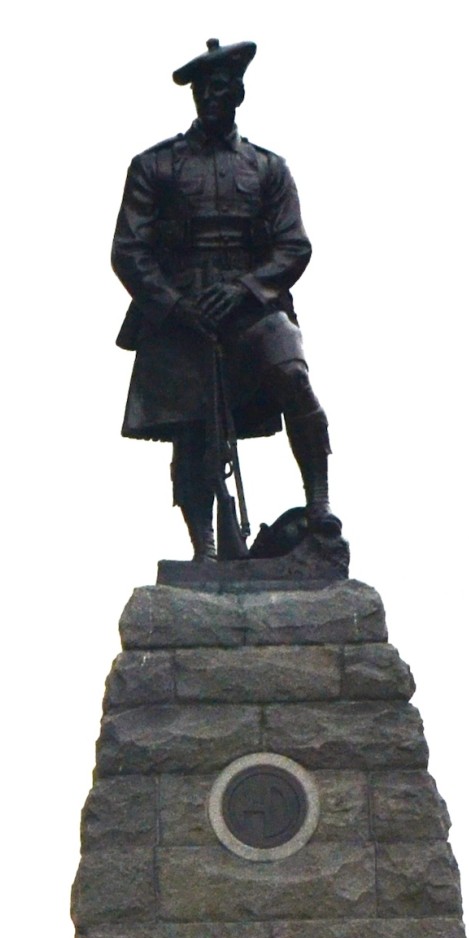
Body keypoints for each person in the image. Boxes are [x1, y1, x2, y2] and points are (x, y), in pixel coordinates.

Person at [112, 38, 340, 561]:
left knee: (293, 375)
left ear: (238, 94)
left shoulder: (269, 169)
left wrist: (244, 289)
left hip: (252, 308)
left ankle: (320, 505)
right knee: (192, 429)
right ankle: (207, 550)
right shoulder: (154, 166)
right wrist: (173, 306)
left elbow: (294, 246)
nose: (211, 98)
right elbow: (129, 250)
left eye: (220, 89)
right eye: (203, 90)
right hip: (180, 313)